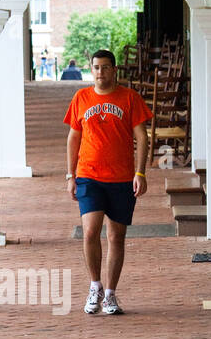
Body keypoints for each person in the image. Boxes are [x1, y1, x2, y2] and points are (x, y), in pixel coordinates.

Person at [63, 49, 152, 315]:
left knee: (116, 236)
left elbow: (142, 137)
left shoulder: (129, 98)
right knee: (90, 232)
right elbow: (73, 138)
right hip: (89, 174)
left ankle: (111, 293)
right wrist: (70, 175)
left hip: (122, 177)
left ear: (114, 70)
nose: (100, 73)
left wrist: (141, 173)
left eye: (105, 67)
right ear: (91, 70)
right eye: (96, 68)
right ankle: (95, 285)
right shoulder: (81, 98)